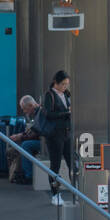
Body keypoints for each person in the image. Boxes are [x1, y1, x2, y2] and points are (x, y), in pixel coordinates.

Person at [40, 70, 73, 205]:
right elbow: (48, 114)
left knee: (72, 162)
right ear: (56, 82)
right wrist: (65, 113)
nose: (65, 87)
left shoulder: (66, 94)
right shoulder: (49, 95)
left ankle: (76, 189)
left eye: (66, 84)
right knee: (55, 165)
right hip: (54, 135)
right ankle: (55, 194)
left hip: (66, 132)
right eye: (63, 84)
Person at [7, 94, 43, 185]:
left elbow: (36, 132)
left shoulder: (40, 113)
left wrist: (21, 136)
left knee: (25, 145)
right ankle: (19, 172)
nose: (24, 111)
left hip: (46, 142)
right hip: (41, 139)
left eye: (25, 109)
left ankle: (29, 175)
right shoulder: (36, 114)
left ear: (31, 105)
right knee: (19, 147)